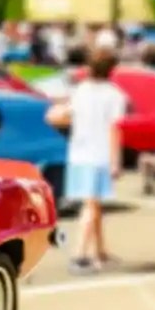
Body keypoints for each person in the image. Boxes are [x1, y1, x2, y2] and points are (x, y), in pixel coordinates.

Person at [60, 49, 128, 274]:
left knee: (93, 203)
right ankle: (79, 254)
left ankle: (101, 252)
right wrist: (116, 161)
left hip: (78, 153)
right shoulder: (115, 95)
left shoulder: (80, 90)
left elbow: (66, 115)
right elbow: (114, 129)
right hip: (99, 155)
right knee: (91, 205)